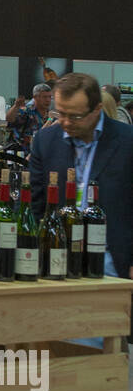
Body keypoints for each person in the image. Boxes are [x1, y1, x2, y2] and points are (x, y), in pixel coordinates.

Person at [30, 72, 133, 283]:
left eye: (75, 116)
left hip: (112, 261)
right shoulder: (46, 141)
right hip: (57, 260)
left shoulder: (127, 142)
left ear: (97, 109)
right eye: (61, 113)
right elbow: (34, 203)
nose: (66, 122)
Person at [5, 83, 53, 152]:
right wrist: (16, 106)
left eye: (50, 97)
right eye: (44, 97)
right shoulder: (27, 111)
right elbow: (9, 119)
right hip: (23, 153)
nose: (48, 100)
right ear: (35, 97)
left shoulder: (50, 115)